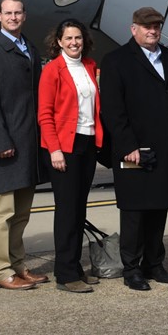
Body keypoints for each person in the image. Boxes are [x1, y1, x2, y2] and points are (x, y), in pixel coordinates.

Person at [99, 6, 168, 291]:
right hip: (133, 150)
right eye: (147, 26)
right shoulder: (116, 61)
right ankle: (131, 268)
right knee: (135, 210)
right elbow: (113, 110)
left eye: (157, 26)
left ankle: (154, 263)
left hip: (164, 148)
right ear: (133, 28)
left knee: (158, 207)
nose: (153, 31)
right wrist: (128, 145)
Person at [0, 0, 47, 291]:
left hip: (28, 143)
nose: (13, 17)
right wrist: (0, 140)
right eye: (8, 13)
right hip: (5, 145)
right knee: (1, 212)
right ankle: (0, 270)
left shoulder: (30, 48)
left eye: (18, 13)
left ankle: (17, 264)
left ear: (24, 16)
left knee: (21, 212)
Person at [38, 19, 103, 293]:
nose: (74, 43)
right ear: (59, 42)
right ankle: (65, 274)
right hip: (64, 146)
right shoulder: (53, 70)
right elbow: (45, 114)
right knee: (66, 211)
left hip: (87, 143)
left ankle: (75, 266)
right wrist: (54, 149)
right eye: (68, 39)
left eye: (78, 38)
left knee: (79, 209)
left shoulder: (89, 65)